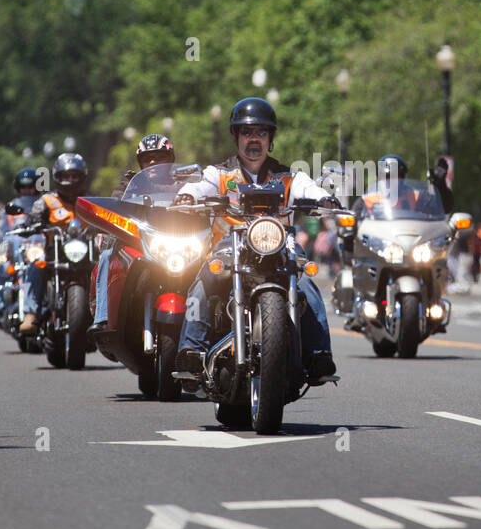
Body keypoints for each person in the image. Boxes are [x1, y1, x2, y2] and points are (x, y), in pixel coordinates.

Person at [174, 97, 341, 386]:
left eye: (261, 132)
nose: (254, 139)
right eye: (247, 132)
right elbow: (201, 184)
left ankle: (318, 354)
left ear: (270, 138)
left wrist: (323, 197)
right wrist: (189, 195)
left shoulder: (288, 175)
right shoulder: (220, 174)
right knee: (203, 282)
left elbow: (308, 187)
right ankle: (192, 351)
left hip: (279, 246)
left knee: (306, 283)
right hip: (231, 245)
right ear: (236, 136)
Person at [90, 136, 177, 331]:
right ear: (140, 162)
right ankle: (103, 317)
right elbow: (114, 204)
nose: (153, 163)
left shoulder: (185, 184)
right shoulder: (130, 184)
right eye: (147, 159)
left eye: (159, 157)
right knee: (107, 253)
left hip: (176, 241)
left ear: (170, 159)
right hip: (138, 239)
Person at [19, 153, 89, 334]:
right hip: (54, 253)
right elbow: (32, 219)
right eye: (66, 176)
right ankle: (31, 314)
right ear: (58, 178)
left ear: (82, 177)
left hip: (86, 253)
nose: (71, 180)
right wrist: (30, 225)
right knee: (36, 265)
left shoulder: (91, 201)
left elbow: (107, 219)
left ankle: (106, 317)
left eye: (74, 176)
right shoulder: (48, 201)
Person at [0, 168, 40, 319]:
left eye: (30, 187)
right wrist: (1, 252)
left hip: (36, 248)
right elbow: (3, 234)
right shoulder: (9, 208)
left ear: (36, 187)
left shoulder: (41, 205)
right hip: (13, 248)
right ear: (18, 188)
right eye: (23, 187)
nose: (26, 190)